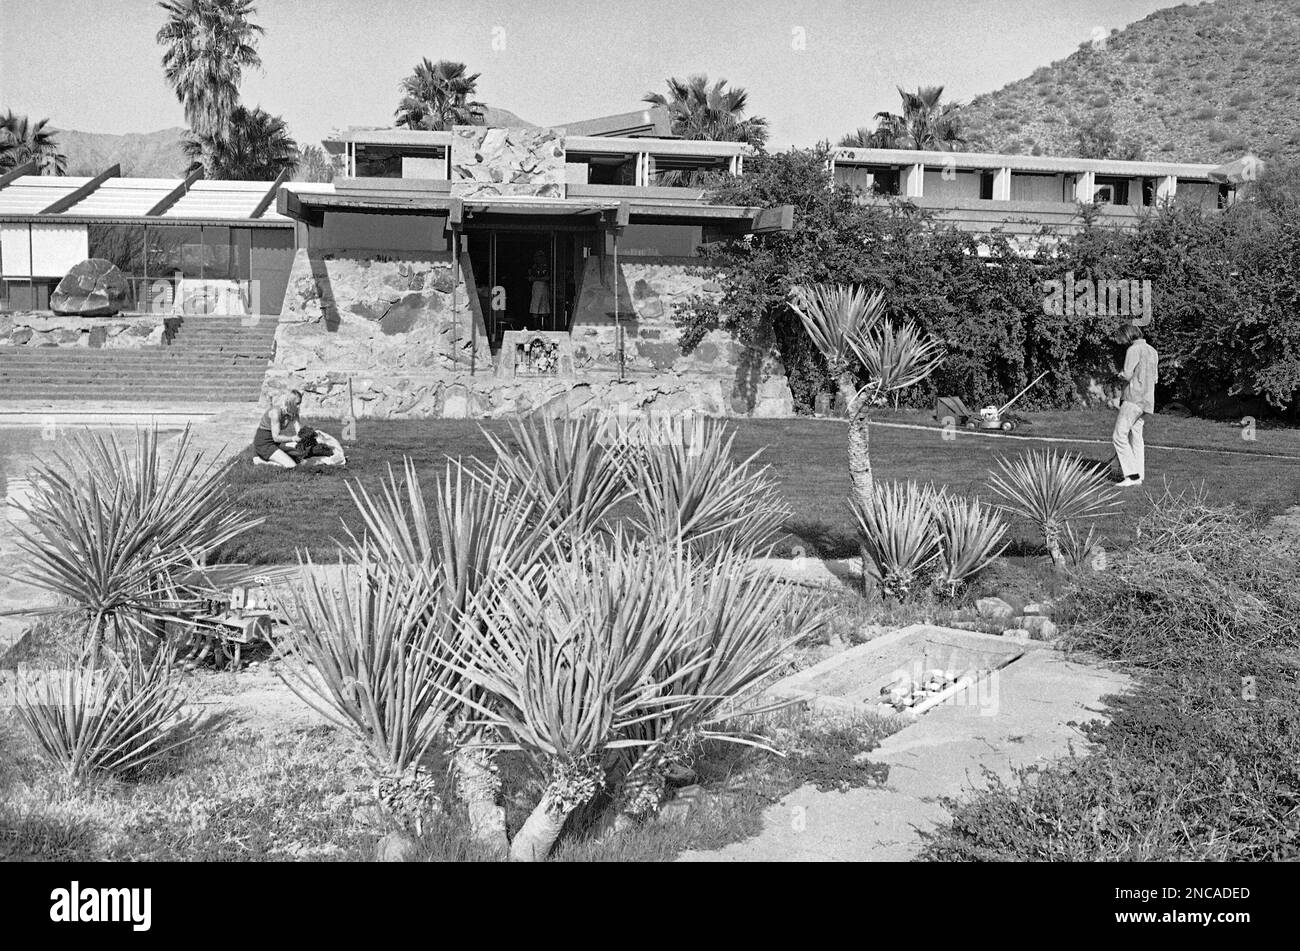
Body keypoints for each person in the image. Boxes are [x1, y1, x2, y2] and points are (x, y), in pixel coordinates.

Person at [1112, 323, 1158, 487]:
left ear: (1127, 335)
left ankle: (1131, 476)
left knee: (1119, 436)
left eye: (1121, 338)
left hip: (1133, 398)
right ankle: (1138, 475)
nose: (1120, 341)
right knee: (1136, 436)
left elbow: (1127, 374)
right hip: (1147, 400)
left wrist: (1119, 375)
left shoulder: (1133, 350)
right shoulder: (1153, 351)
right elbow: (1155, 378)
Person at [253, 390, 303, 468]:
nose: (299, 406)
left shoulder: (293, 411)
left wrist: (304, 438)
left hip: (275, 443)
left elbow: (299, 431)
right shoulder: (276, 412)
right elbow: (276, 438)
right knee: (292, 466)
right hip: (264, 444)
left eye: (300, 403)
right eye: (297, 403)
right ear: (290, 402)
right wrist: (293, 438)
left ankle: (276, 455)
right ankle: (261, 461)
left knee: (300, 456)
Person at [527, 250, 551, 330]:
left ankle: (545, 327)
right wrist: (540, 279)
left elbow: (547, 278)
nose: (539, 259)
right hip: (536, 288)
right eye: (537, 257)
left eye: (541, 256)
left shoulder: (547, 267)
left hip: (544, 288)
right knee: (535, 306)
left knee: (544, 307)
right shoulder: (533, 267)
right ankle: (535, 327)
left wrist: (536, 279)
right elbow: (530, 278)